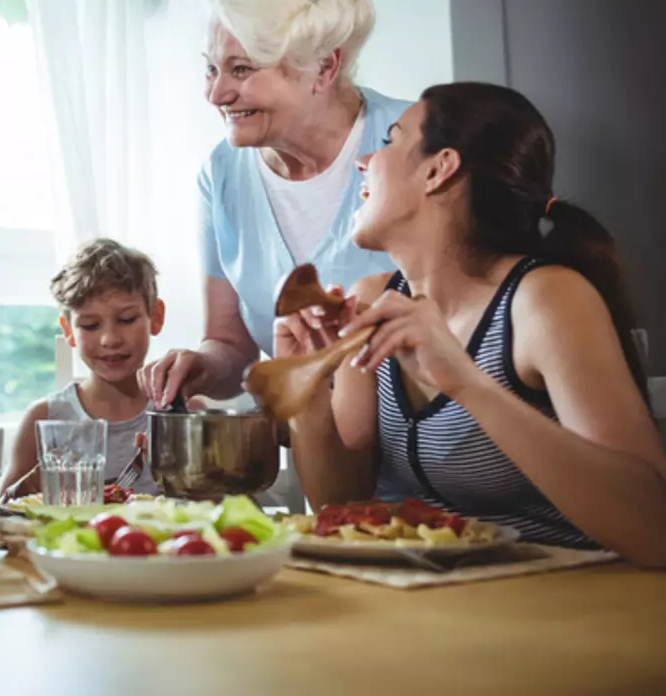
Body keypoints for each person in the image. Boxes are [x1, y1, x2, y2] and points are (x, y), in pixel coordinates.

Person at [276, 81, 666, 566]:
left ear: (438, 169)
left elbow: (654, 527)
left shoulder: (544, 300)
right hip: (437, 599)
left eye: (390, 140)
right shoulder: (373, 300)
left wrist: (466, 382)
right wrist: (308, 399)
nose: (363, 162)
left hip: (571, 598)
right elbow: (342, 508)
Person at [139, 0, 410, 408]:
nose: (216, 93)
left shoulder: (412, 140)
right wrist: (201, 367)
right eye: (211, 68)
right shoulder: (221, 173)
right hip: (319, 463)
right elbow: (230, 344)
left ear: (323, 68)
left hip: (451, 458)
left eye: (241, 69)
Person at [3, 239, 162, 495]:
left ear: (156, 317)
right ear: (68, 331)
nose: (110, 339)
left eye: (126, 319)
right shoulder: (44, 419)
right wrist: (27, 487)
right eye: (89, 325)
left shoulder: (183, 417)